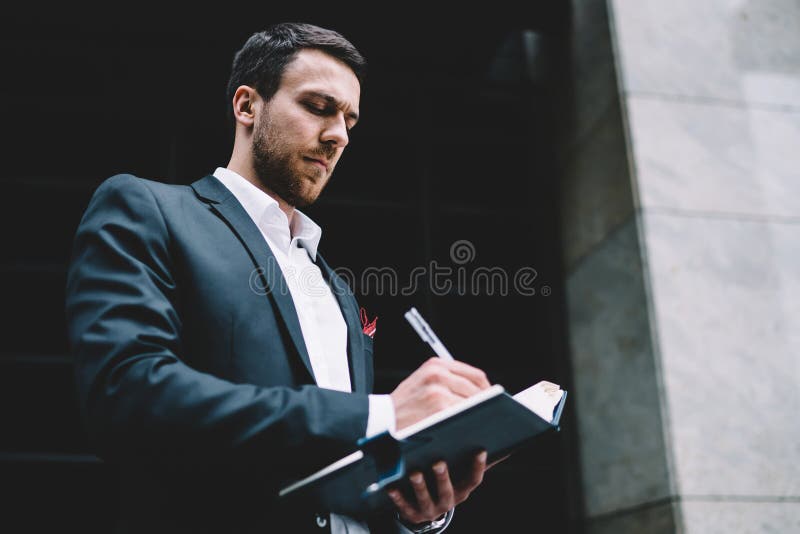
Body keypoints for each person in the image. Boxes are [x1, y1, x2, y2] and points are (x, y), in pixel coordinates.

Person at [65, 22, 496, 534]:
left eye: (349, 121)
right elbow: (127, 395)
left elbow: (341, 473)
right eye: (319, 107)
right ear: (248, 106)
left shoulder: (335, 286)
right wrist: (378, 417)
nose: (338, 135)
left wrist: (417, 512)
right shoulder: (147, 208)